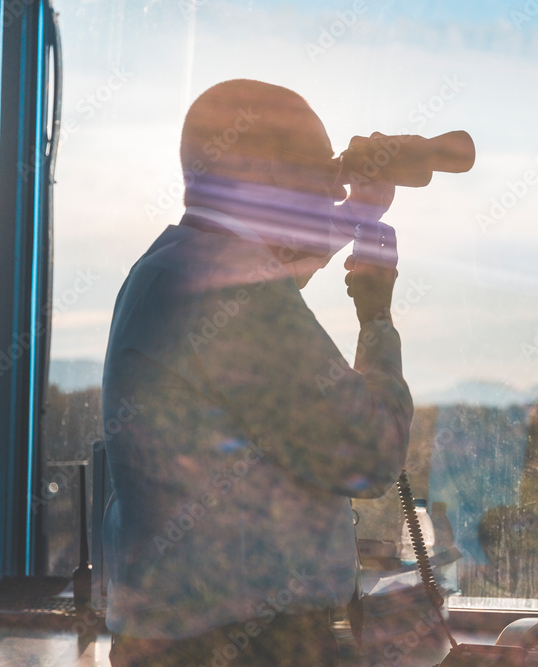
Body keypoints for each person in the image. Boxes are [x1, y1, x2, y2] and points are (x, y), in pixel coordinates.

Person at [101, 79, 413, 666]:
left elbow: (273, 279)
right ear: (262, 176)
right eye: (323, 169)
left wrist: (359, 214)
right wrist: (376, 315)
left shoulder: (170, 267)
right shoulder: (237, 298)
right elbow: (368, 454)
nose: (333, 184)